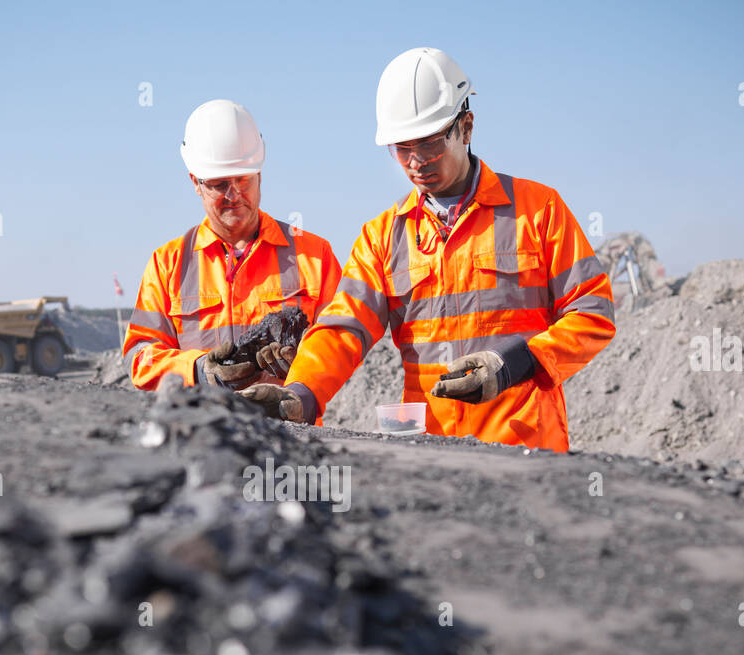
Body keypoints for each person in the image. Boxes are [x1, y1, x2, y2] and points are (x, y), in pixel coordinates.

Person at [240, 48, 614, 450]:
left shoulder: (537, 210)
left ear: (466, 128)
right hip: (432, 457)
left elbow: (593, 313)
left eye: (430, 143)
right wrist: (303, 393)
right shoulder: (383, 236)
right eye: (402, 148)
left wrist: (515, 363)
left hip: (526, 449)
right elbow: (342, 330)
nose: (416, 161)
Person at [124, 100, 342, 392]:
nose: (234, 194)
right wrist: (199, 371)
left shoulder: (315, 256)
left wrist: (305, 366)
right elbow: (140, 356)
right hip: (201, 431)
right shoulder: (168, 264)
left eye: (243, 179)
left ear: (260, 174)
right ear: (196, 182)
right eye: (219, 184)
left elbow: (343, 344)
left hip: (288, 432)